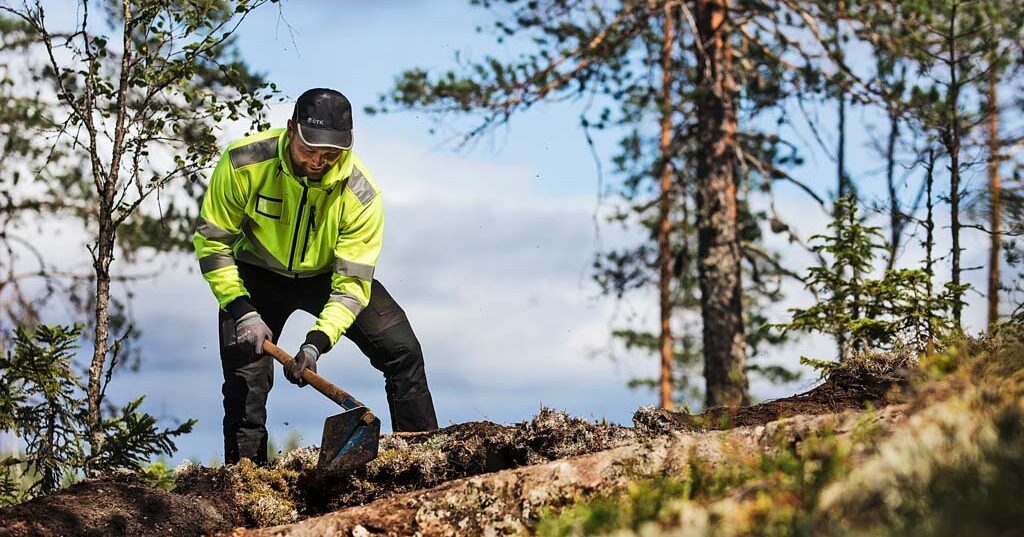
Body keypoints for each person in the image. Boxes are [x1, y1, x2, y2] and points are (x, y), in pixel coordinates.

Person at [193, 87, 438, 465]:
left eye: (331, 154)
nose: (319, 161)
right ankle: (245, 483)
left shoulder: (361, 194)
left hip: (327, 275)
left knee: (402, 350)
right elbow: (213, 245)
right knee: (247, 383)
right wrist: (242, 310)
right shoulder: (244, 163)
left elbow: (352, 285)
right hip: (256, 274)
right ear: (291, 129)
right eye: (310, 150)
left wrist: (316, 344)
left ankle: (425, 459)